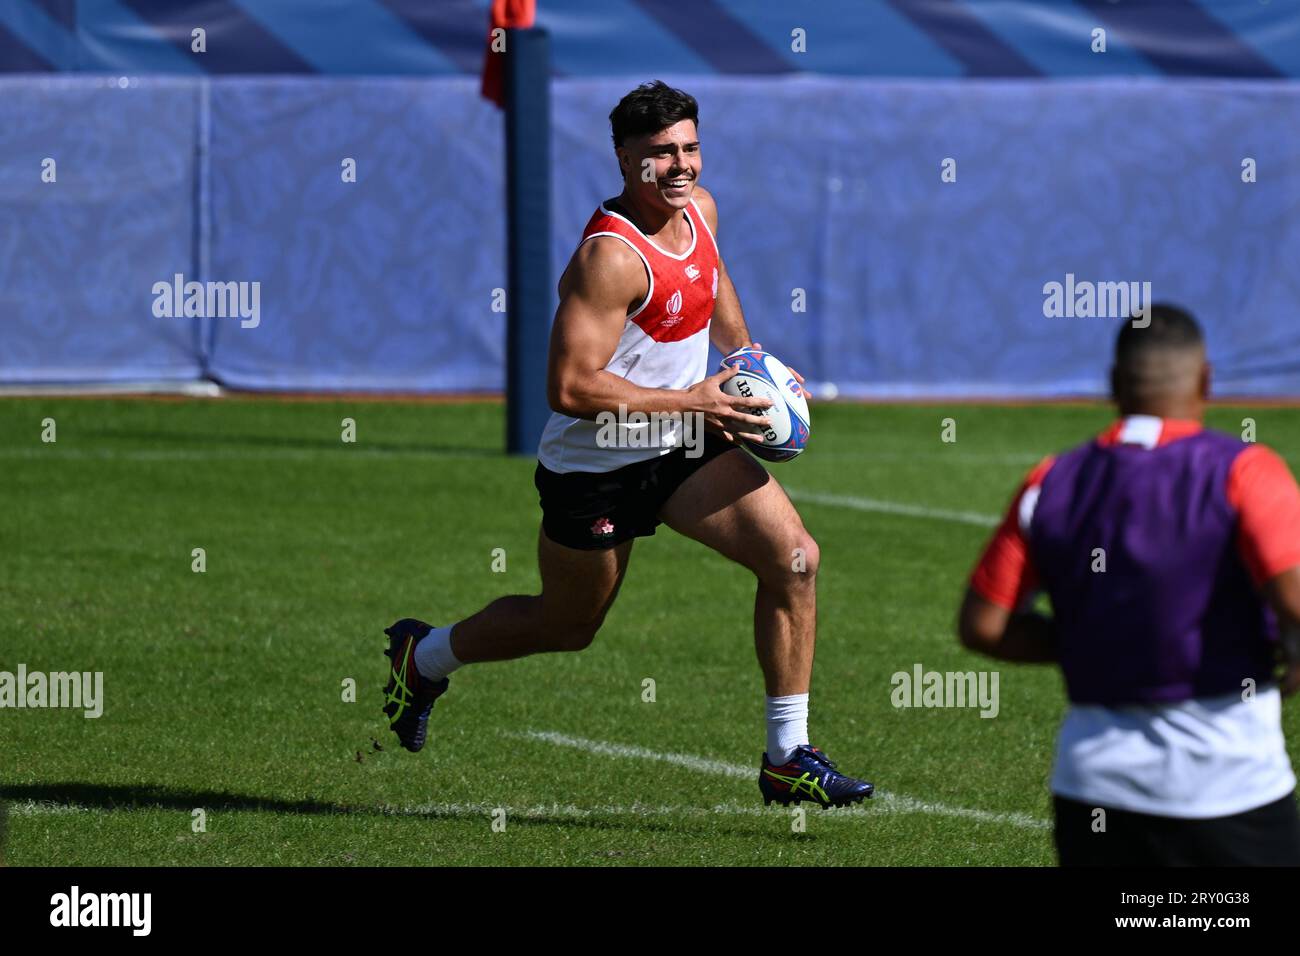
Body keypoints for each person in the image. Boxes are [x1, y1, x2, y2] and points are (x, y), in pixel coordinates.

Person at [381, 81, 872, 808]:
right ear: (623, 157)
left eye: (690, 148)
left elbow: (713, 282)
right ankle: (424, 658)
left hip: (680, 443)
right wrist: (691, 398)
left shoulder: (699, 211)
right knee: (569, 624)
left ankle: (786, 756)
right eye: (660, 154)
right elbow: (571, 388)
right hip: (597, 465)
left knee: (795, 559)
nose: (680, 166)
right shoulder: (609, 259)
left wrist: (747, 362)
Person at [958, 304, 1300, 865]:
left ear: (1114, 384)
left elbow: (983, 625)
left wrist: (1094, 642)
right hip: (1233, 789)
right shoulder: (1247, 471)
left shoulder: (1052, 479)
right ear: (1207, 380)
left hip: (1095, 788)